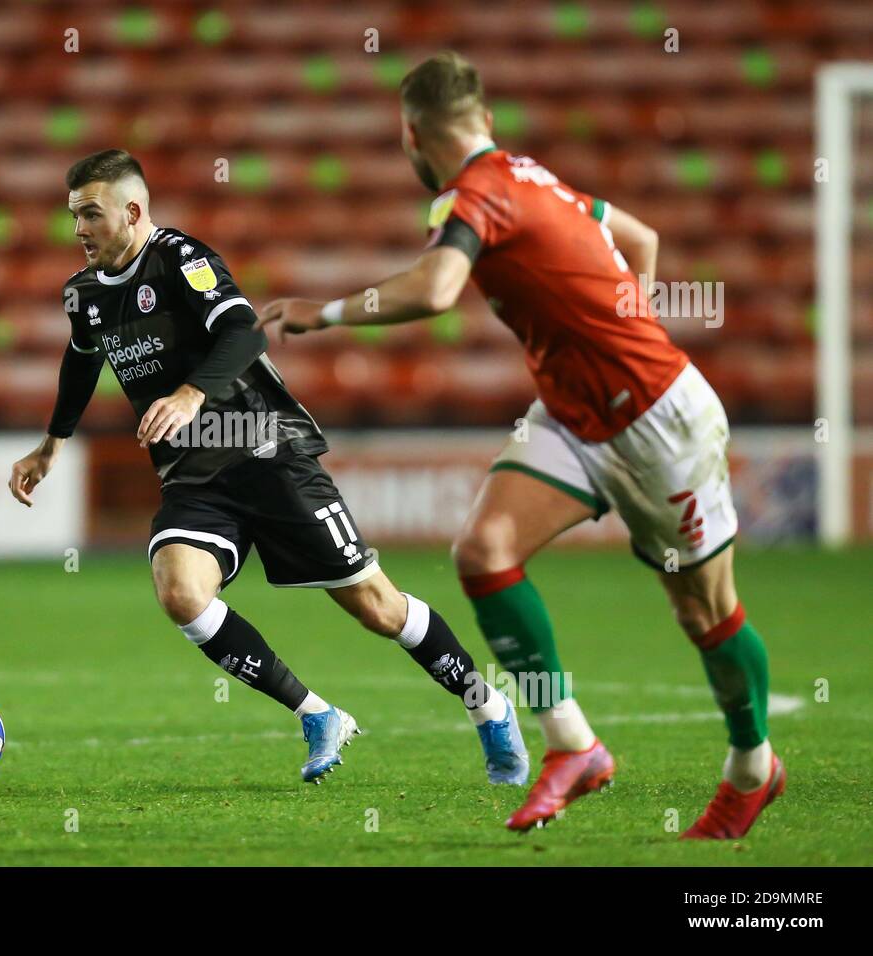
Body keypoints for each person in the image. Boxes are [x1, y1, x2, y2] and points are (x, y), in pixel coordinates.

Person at [259, 54, 781, 838]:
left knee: (704, 611)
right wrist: (602, 331)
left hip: (660, 420)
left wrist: (321, 312)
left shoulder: (471, 195)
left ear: (411, 135)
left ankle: (752, 767)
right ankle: (571, 744)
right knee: (483, 552)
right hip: (573, 415)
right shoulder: (533, 176)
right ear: (485, 121)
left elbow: (436, 290)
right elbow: (642, 237)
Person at [10, 148, 527, 785]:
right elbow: (82, 360)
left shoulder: (178, 258)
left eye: (90, 214)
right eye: (73, 216)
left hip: (267, 451)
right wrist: (52, 445)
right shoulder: (84, 294)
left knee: (376, 607)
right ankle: (317, 715)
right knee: (181, 592)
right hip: (194, 477)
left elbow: (245, 333)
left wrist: (190, 394)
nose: (79, 229)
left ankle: (490, 706)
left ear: (132, 210)